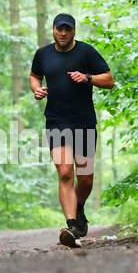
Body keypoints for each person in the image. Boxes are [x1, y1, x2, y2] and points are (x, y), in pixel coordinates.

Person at [29, 13, 115, 247]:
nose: (63, 33)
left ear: (74, 31)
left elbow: (109, 80)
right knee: (65, 172)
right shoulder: (43, 54)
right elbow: (34, 76)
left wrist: (87, 77)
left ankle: (78, 207)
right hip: (56, 121)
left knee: (85, 180)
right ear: (53, 30)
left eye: (68, 29)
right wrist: (36, 89)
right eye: (60, 29)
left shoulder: (86, 52)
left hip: (84, 121)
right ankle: (72, 225)